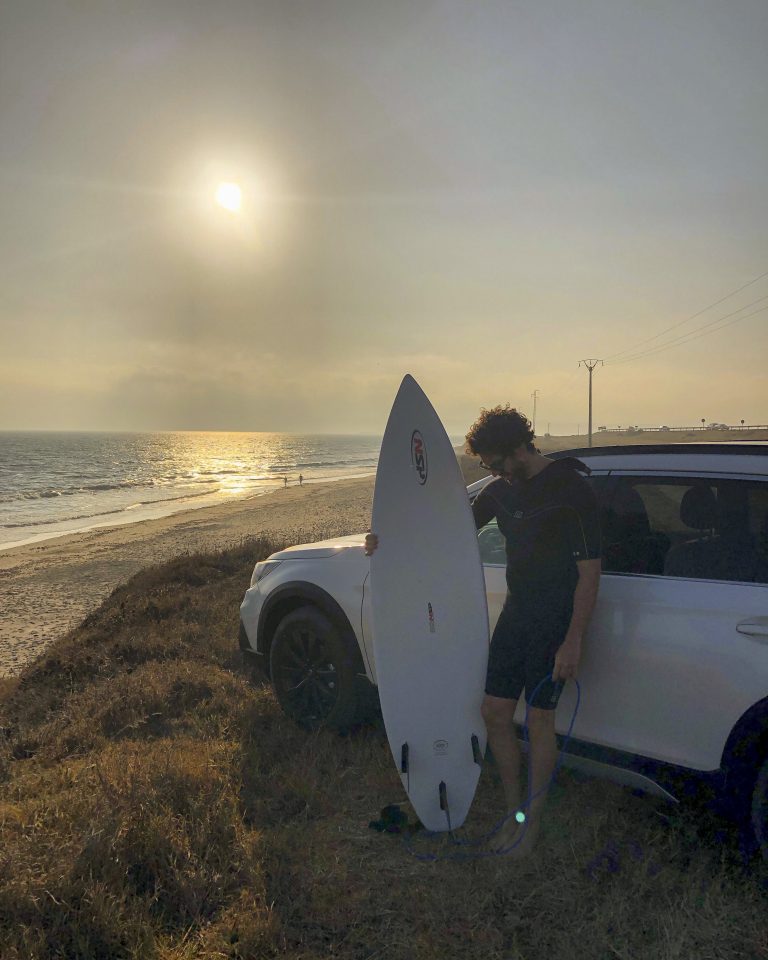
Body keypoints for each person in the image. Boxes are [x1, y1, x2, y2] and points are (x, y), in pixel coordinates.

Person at [364, 404, 601, 858]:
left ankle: (531, 827)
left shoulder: (572, 490)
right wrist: (381, 540)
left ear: (518, 448)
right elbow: (443, 533)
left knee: (539, 719)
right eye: (488, 467)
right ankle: (513, 815)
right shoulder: (500, 493)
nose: (494, 473)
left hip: (554, 620)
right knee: (493, 712)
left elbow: (589, 574)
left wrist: (573, 640)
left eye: (495, 464)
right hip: (518, 613)